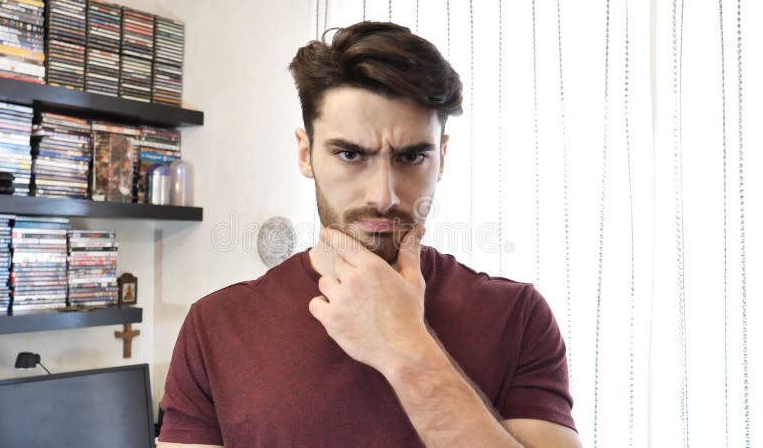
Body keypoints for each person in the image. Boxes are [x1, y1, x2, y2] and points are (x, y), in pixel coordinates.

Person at [158, 22, 581, 447]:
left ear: (442, 157)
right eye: (350, 154)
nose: (383, 195)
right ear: (305, 154)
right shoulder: (215, 325)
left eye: (411, 157)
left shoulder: (518, 317)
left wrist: (405, 345)